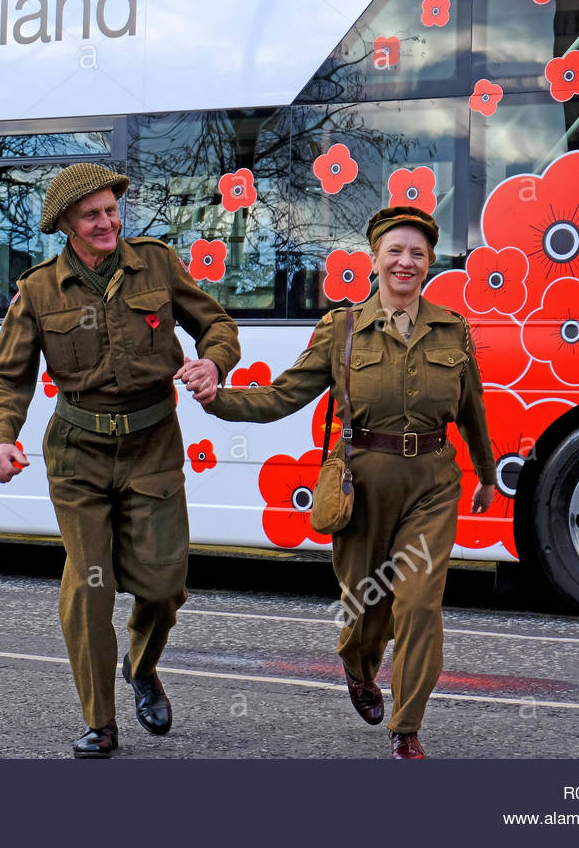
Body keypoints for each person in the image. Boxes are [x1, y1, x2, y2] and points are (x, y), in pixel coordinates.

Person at [179, 205, 495, 759]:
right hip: (363, 487)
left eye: (417, 253)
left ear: (429, 264)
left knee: (419, 604)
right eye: (395, 251)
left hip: (433, 486)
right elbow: (282, 395)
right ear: (374, 260)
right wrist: (218, 400)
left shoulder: (453, 329)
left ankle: (407, 728)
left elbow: (473, 411)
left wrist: (488, 475)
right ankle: (356, 662)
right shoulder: (341, 329)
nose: (406, 261)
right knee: (366, 607)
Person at [0, 163, 241, 758]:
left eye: (112, 211)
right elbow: (4, 375)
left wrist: (213, 362)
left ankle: (142, 665)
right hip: (79, 454)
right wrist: (1, 437)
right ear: (67, 224)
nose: (107, 221)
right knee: (91, 581)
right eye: (93, 214)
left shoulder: (156, 263)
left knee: (164, 585)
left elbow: (216, 323)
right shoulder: (40, 289)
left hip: (152, 446)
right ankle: (101, 721)